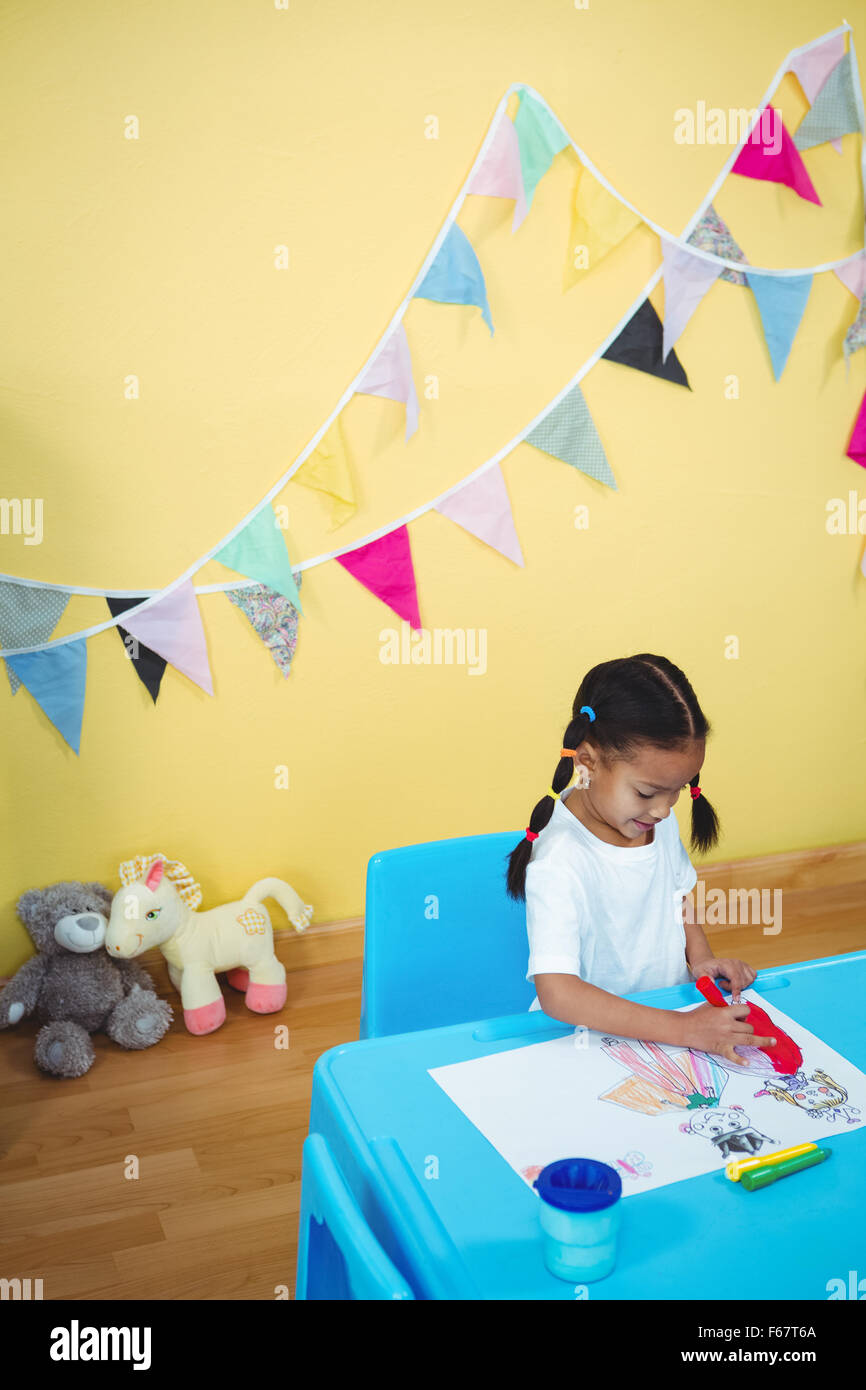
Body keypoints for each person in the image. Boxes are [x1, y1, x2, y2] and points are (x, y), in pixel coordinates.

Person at [505, 653, 776, 1067]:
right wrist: (685, 1029)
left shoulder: (646, 819)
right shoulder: (560, 859)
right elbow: (557, 993)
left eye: (677, 791)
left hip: (668, 1023)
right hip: (584, 1044)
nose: (664, 810)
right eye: (649, 793)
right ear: (587, 763)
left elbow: (678, 896)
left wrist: (700, 959)